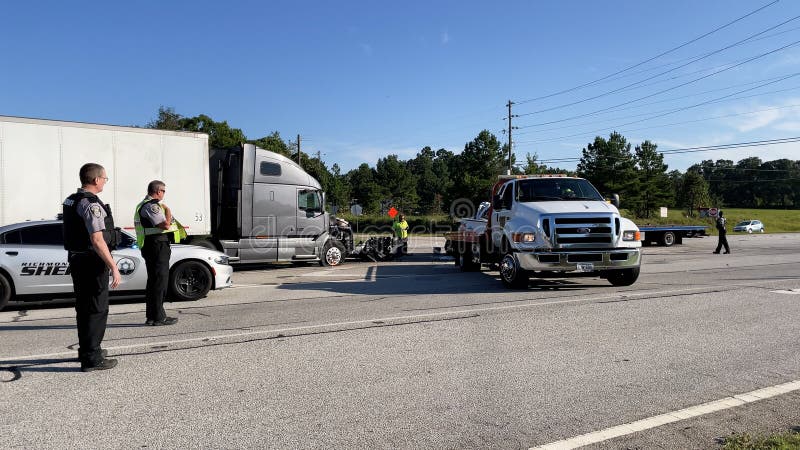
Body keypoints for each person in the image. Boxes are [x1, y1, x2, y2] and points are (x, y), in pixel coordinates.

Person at [62, 163, 121, 372]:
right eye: (105, 178)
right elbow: (97, 239)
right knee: (96, 307)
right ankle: (92, 358)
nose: (105, 181)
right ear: (96, 180)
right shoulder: (90, 204)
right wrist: (113, 266)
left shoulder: (72, 199)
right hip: (91, 261)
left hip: (78, 259)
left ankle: (87, 349)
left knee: (85, 307)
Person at [134, 180, 184, 326]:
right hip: (156, 246)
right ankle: (159, 317)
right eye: (163, 191)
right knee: (159, 282)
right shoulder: (152, 206)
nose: (164, 194)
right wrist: (168, 212)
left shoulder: (145, 205)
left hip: (153, 245)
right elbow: (165, 225)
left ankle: (152, 317)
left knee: (154, 282)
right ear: (158, 191)